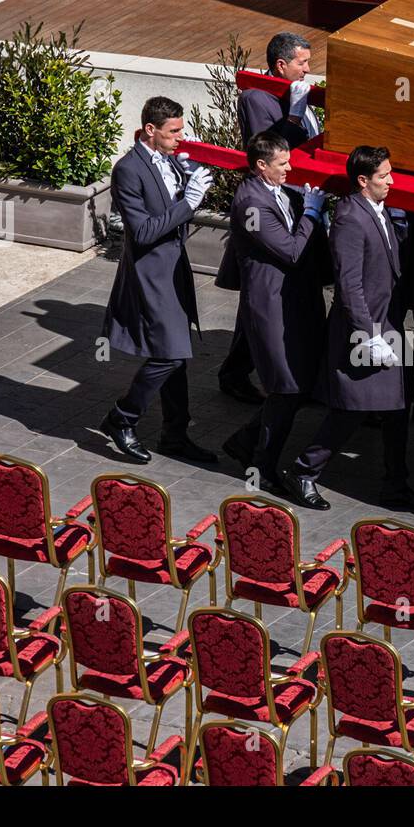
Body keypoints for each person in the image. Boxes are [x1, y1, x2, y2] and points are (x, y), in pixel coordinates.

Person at [280, 146, 414, 511]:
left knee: (397, 407)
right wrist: (370, 334)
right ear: (363, 181)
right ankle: (303, 471)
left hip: (386, 327)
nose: (391, 181)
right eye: (384, 176)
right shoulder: (351, 218)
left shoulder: (377, 211)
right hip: (364, 331)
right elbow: (349, 286)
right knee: (354, 407)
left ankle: (396, 485)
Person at [99, 96, 217, 465]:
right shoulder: (128, 170)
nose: (181, 138)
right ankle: (123, 417)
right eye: (174, 132)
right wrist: (189, 203)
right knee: (169, 354)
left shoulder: (167, 160)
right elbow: (144, 231)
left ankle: (174, 432)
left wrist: (184, 186)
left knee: (178, 353)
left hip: (173, 267)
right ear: (150, 130)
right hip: (150, 274)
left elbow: (166, 208)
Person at [220, 131, 329, 490]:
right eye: (282, 164)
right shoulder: (252, 203)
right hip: (269, 305)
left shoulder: (277, 191)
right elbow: (291, 251)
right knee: (285, 387)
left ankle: (246, 441)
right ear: (261, 166)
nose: (290, 169)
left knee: (295, 386)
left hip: (291, 300)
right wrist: (312, 213)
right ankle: (261, 465)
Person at [218, 32, 322, 406]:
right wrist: (293, 116)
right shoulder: (256, 97)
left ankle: (302, 368)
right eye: (302, 63)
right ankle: (235, 372)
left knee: (290, 293)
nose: (308, 70)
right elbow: (265, 146)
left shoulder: (295, 91)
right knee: (264, 298)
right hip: (276, 205)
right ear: (281, 65)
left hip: (296, 199)